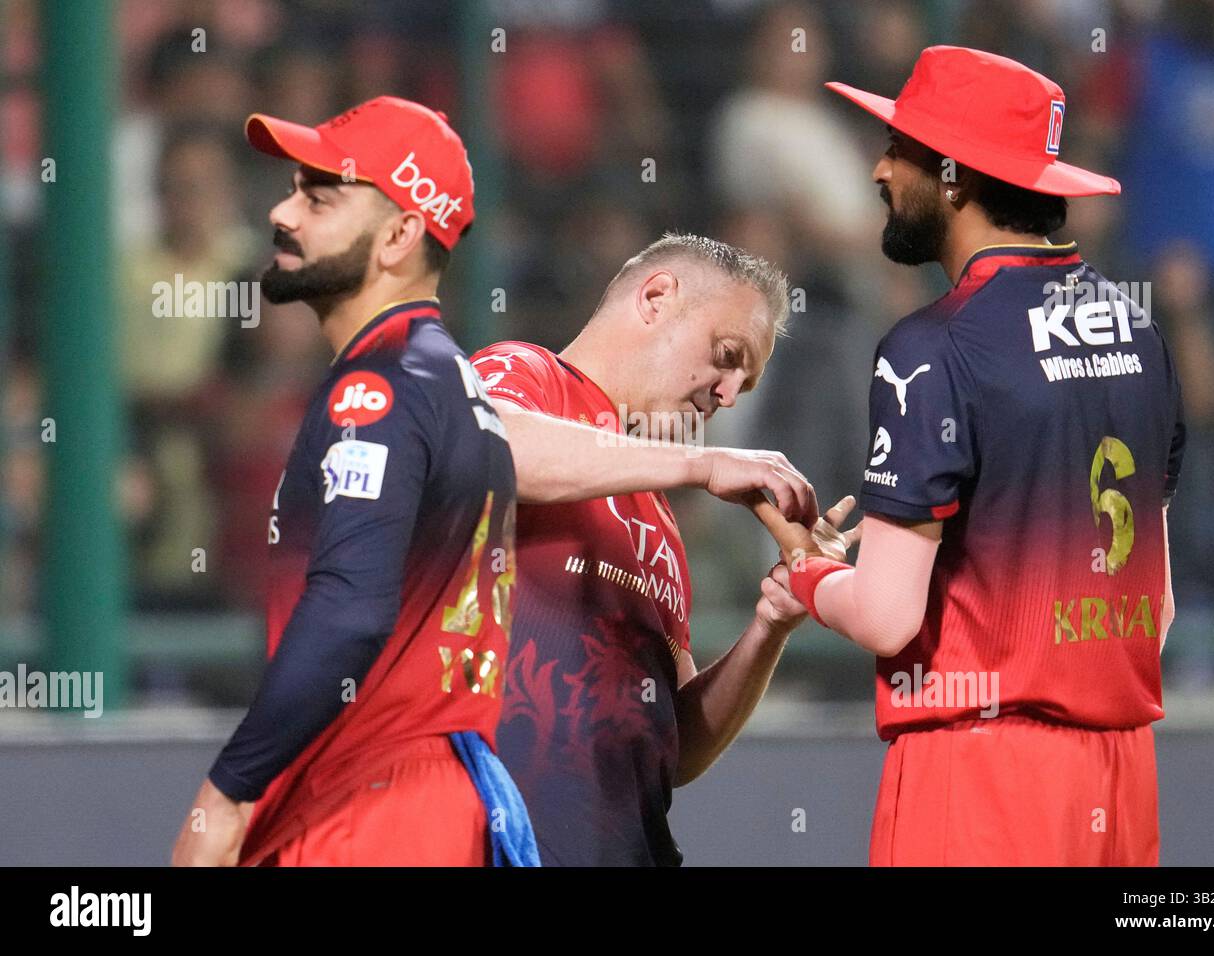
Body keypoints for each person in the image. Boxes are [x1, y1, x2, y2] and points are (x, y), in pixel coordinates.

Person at [764, 47, 1186, 865]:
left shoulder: (933, 345)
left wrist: (808, 575)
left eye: (902, 149)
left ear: (954, 177)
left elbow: (888, 614)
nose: (881, 169)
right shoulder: (1138, 330)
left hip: (980, 781)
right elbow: (1155, 612)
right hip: (1121, 779)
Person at [171, 96, 536, 867]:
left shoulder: (379, 387)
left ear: (402, 233)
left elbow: (348, 611)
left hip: (364, 805)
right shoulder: (452, 382)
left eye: (319, 196)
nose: (282, 212)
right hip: (439, 800)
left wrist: (226, 793)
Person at [471, 233, 843, 865]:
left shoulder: (658, 514)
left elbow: (675, 749)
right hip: (497, 840)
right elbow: (490, 444)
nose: (727, 395)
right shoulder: (526, 376)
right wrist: (701, 463)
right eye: (726, 356)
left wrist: (771, 623)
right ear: (656, 296)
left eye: (744, 386)